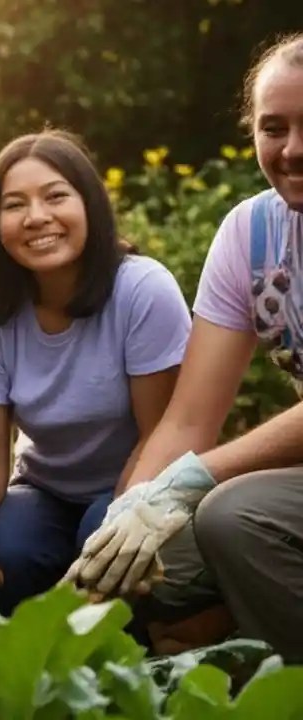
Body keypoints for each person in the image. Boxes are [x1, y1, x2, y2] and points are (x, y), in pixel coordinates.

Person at [65, 32, 303, 662]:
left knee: (234, 514)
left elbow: (203, 469)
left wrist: (190, 482)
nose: (293, 150)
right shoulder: (252, 235)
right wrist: (130, 514)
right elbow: (190, 418)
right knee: (151, 557)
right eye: (274, 127)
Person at [0, 130, 191, 616]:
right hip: (44, 489)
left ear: (90, 204)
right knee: (7, 549)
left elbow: (160, 435)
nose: (37, 217)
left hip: (140, 482)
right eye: (15, 204)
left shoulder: (142, 291)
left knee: (104, 544)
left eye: (56, 196)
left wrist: (118, 521)